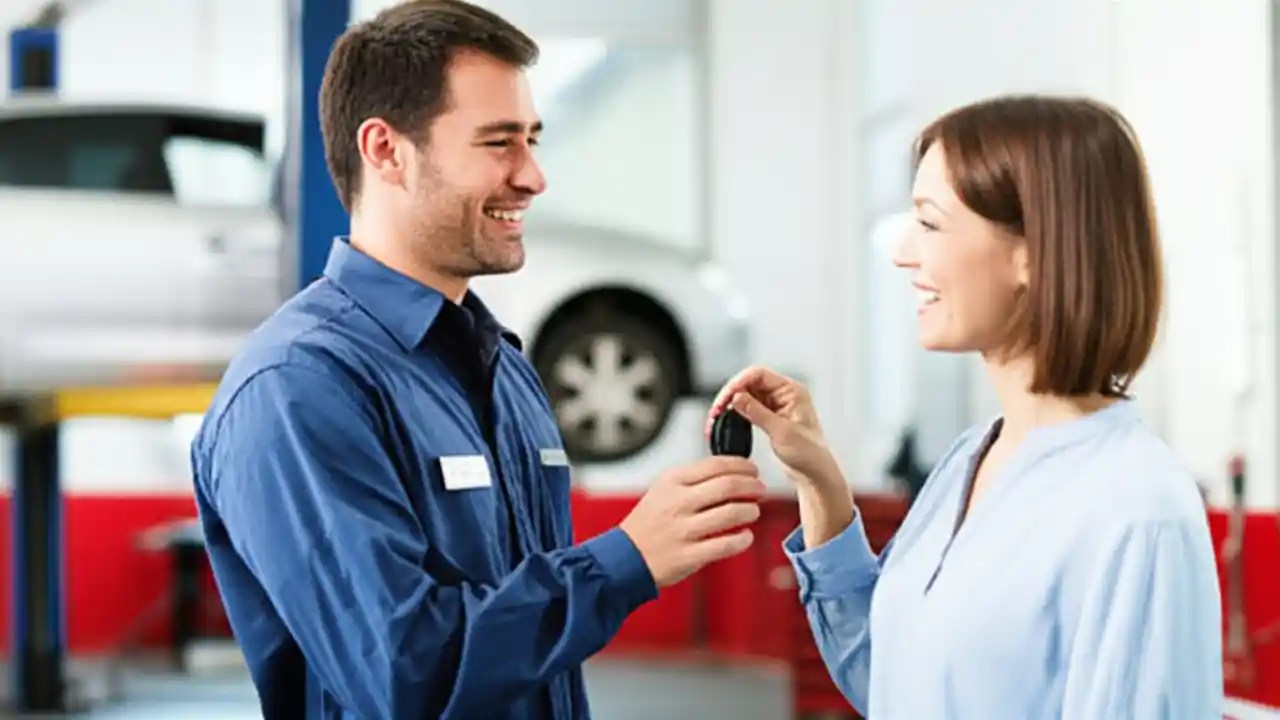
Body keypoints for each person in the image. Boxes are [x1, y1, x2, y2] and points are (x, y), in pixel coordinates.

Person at [189, 2, 765, 718]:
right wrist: (624, 560)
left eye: (532, 139)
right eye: (499, 143)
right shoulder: (300, 388)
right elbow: (404, 675)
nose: (533, 176)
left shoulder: (506, 372)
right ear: (385, 151)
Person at [708, 95, 1223, 719]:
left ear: (1032, 250)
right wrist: (820, 482)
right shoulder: (970, 460)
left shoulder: (1136, 512)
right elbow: (892, 680)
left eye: (929, 223)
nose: (902, 252)